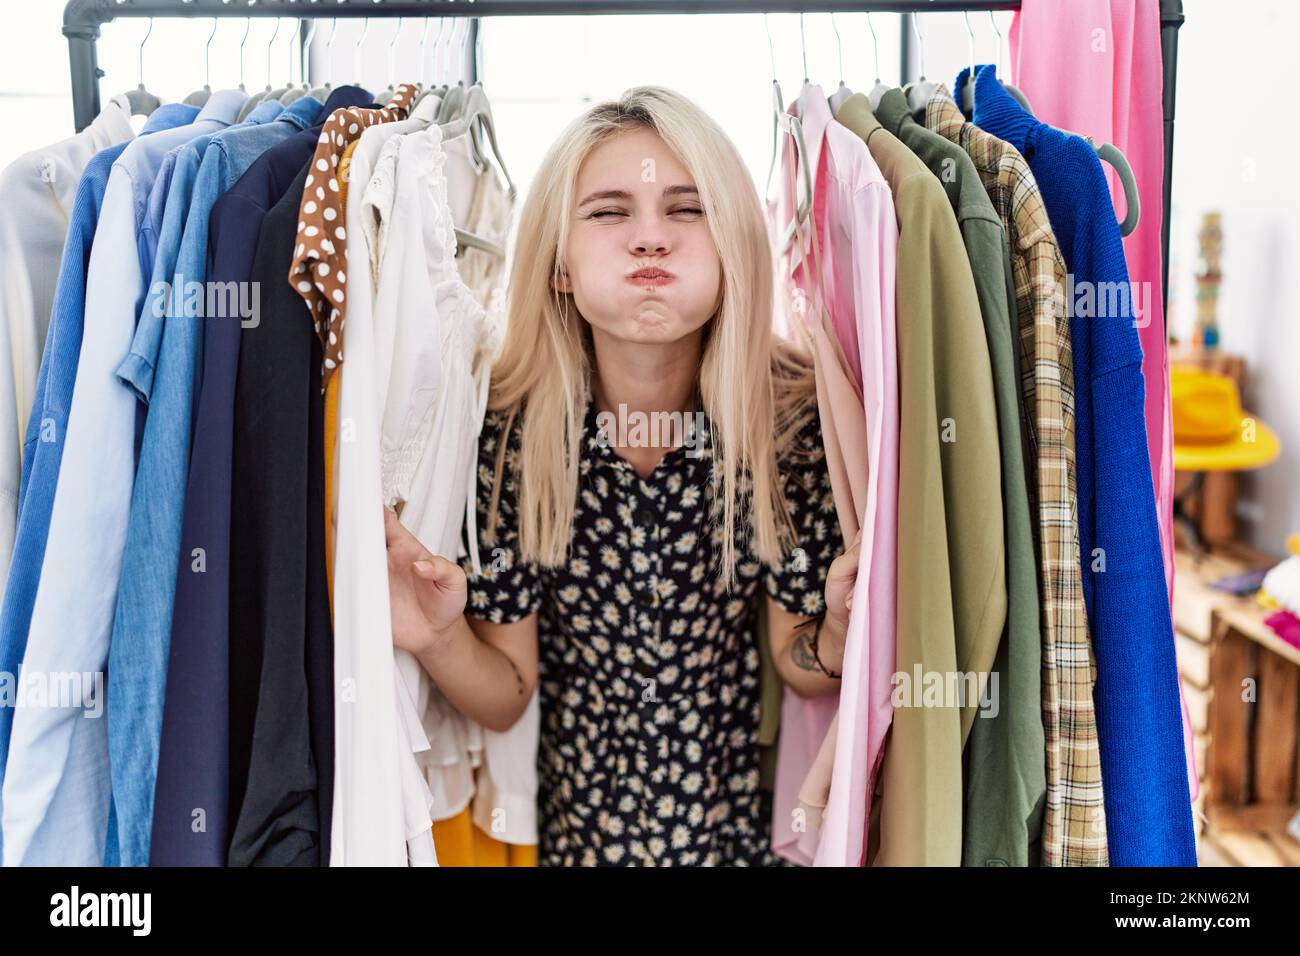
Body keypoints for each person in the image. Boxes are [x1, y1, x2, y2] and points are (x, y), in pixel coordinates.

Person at [383, 85, 858, 866]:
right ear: (560, 264)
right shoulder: (511, 431)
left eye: (686, 207)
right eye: (608, 212)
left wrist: (837, 629)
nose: (650, 240)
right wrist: (438, 638)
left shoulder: (789, 422)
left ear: (735, 242)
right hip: (579, 847)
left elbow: (797, 663)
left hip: (741, 847)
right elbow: (505, 692)